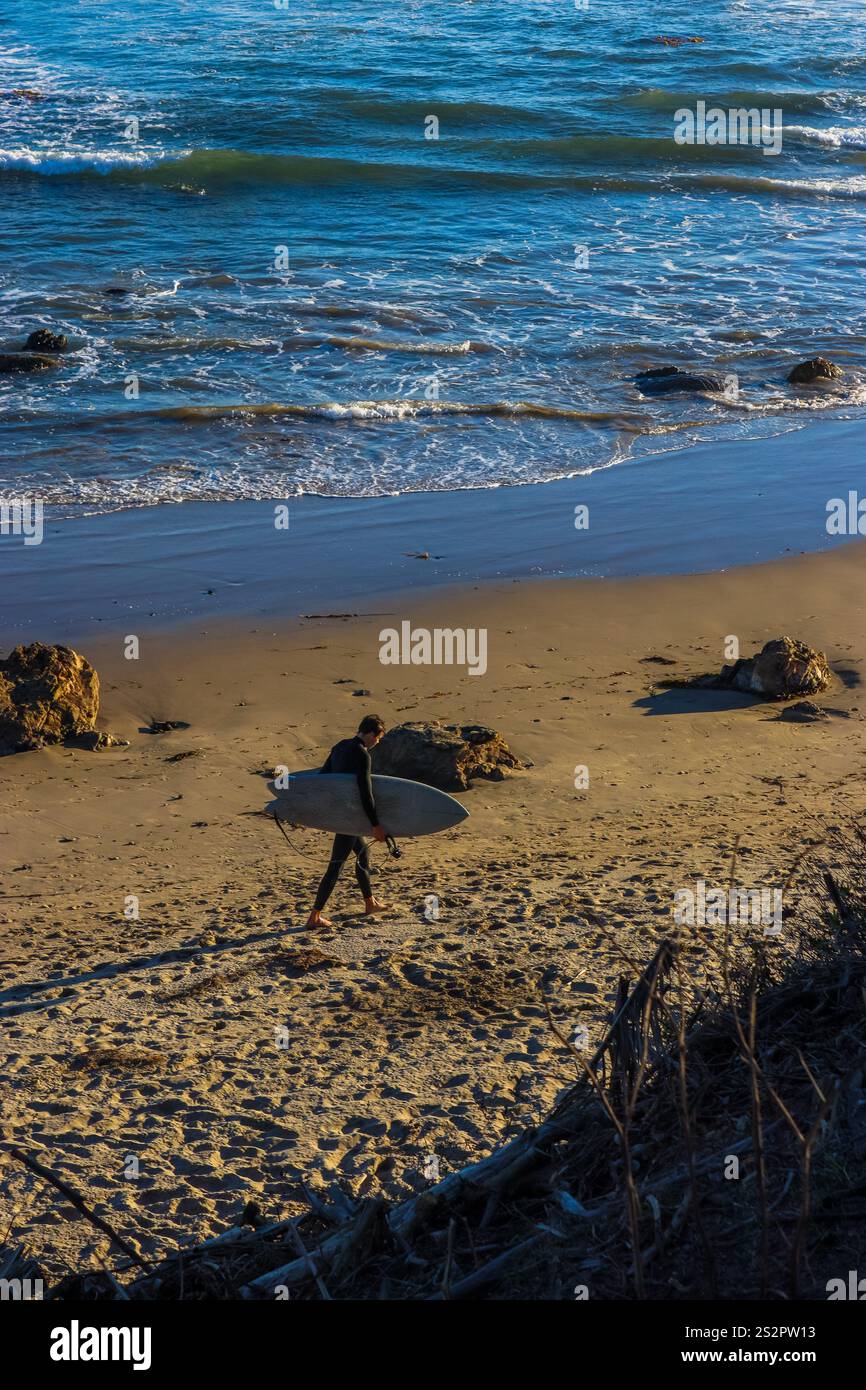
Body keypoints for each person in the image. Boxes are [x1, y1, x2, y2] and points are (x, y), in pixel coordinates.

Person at [306, 715, 391, 928]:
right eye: (378, 738)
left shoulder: (339, 747)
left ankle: (370, 903)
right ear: (372, 733)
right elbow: (366, 793)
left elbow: (323, 778)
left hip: (339, 815)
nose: (377, 743)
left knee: (364, 854)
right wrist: (376, 825)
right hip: (349, 818)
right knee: (335, 866)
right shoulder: (362, 754)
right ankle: (314, 917)